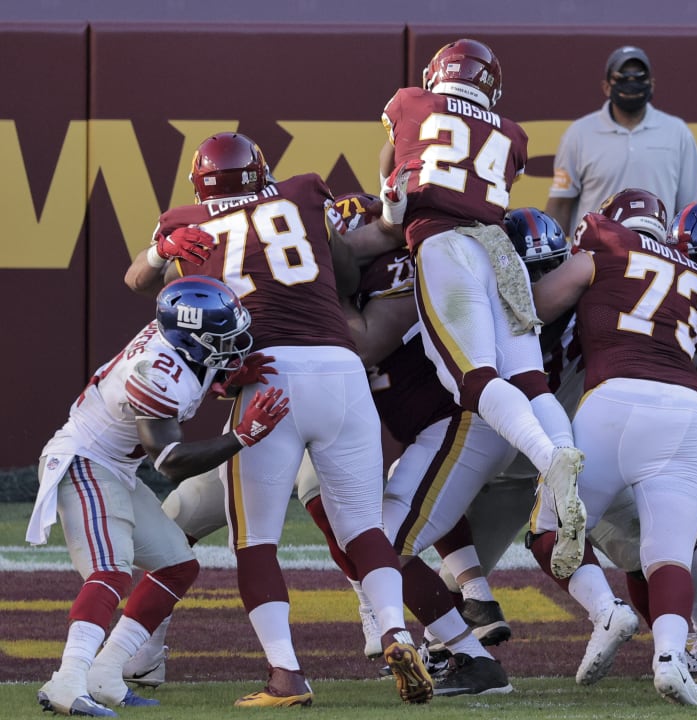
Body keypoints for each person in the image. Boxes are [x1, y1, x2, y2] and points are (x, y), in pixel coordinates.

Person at [122, 132, 433, 706]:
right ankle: (394, 629)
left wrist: (166, 249)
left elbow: (138, 282)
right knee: (364, 527)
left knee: (256, 540)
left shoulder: (187, 220)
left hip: (267, 377)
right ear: (262, 170)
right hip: (341, 371)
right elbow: (342, 273)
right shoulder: (305, 192)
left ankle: (286, 674)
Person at [28, 277, 289, 716]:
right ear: (192, 338)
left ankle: (106, 673)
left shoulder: (180, 343)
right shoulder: (156, 373)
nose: (237, 344)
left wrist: (221, 377)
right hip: (85, 462)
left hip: (117, 468)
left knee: (177, 565)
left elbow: (194, 364)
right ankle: (67, 680)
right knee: (109, 572)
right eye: (222, 339)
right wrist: (243, 436)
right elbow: (171, 461)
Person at [379, 37, 588, 581]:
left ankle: (549, 460)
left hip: (444, 244)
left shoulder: (409, 102)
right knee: (529, 378)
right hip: (500, 248)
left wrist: (394, 196)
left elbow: (394, 173)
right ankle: (562, 458)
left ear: (437, 73)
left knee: (473, 381)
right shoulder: (512, 133)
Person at [528, 189, 697, 705]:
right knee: (669, 554)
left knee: (550, 528)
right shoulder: (695, 272)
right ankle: (673, 658)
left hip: (615, 400)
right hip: (689, 410)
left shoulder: (602, 245)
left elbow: (539, 306)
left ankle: (605, 611)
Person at [545, 45, 697, 234]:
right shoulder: (579, 134)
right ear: (606, 87)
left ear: (652, 84)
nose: (631, 83)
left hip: (657, 255)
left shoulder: (677, 133)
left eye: (639, 77)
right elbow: (560, 204)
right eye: (622, 78)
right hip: (595, 256)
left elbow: (693, 208)